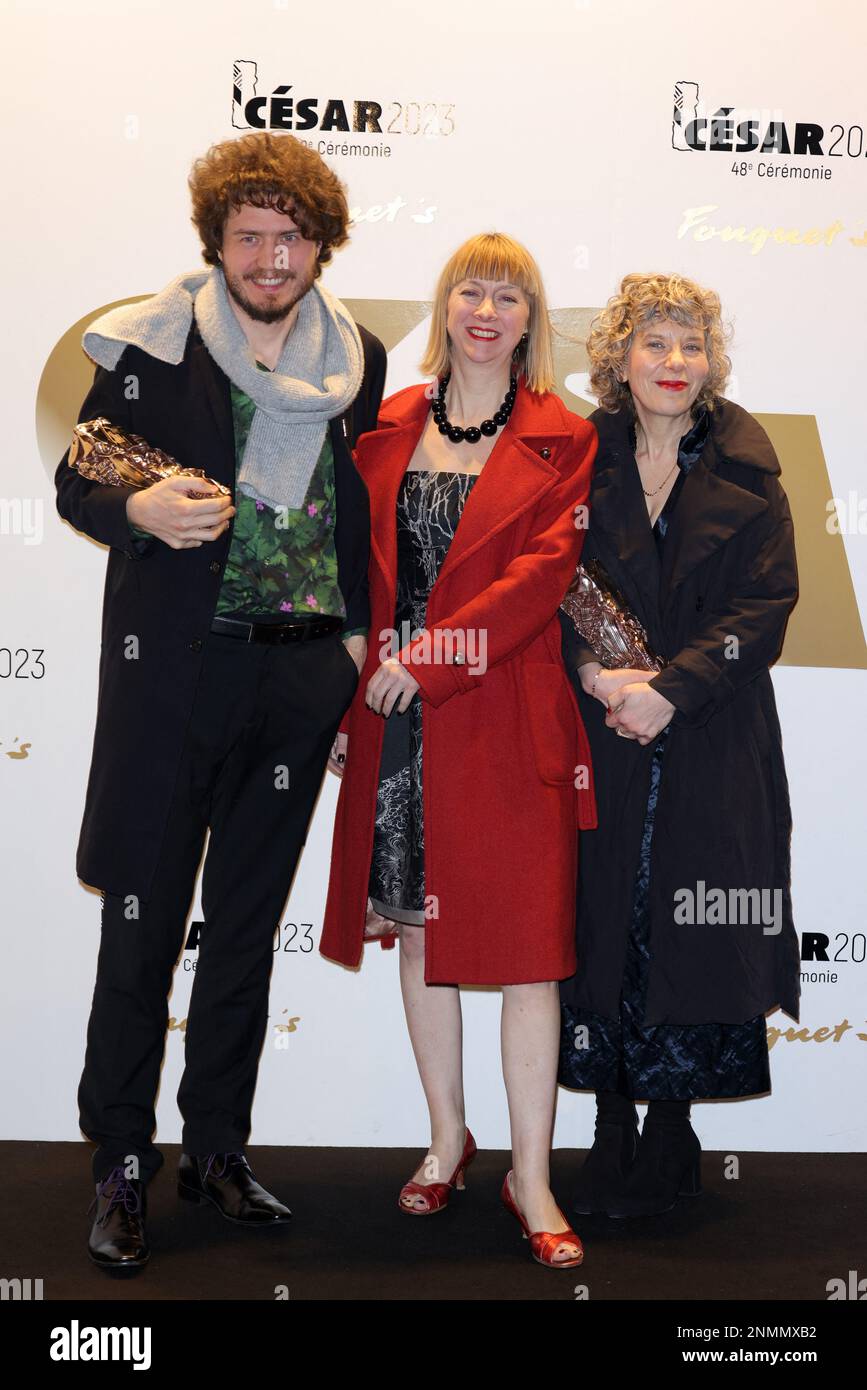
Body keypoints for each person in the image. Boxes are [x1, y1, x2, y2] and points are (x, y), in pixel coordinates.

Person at [54, 131, 386, 1270]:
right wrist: (137, 507)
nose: (268, 254)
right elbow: (80, 471)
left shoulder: (360, 357)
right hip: (178, 677)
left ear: (318, 244)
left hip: (296, 678)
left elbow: (359, 511)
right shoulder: (159, 345)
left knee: (244, 929)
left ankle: (219, 1149)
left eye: (289, 235)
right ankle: (118, 1164)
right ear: (219, 242)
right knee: (140, 930)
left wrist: (346, 652)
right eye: (247, 235)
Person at [320, 233, 597, 1269]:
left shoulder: (565, 437)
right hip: (396, 722)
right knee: (425, 937)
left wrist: (428, 662)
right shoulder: (384, 424)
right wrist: (361, 696)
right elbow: (355, 570)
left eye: (509, 296)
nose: (487, 309)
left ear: (531, 319)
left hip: (506, 713)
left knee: (529, 957)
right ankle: (448, 1134)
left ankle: (532, 1175)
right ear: (446, 307)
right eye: (470, 291)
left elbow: (540, 581)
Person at [556, 271, 800, 1218]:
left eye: (690, 344)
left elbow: (765, 606)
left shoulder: (749, 468)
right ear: (618, 356)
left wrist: (671, 690)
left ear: (711, 362)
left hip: (711, 730)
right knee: (602, 913)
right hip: (601, 727)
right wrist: (598, 674)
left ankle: (672, 1131)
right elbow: (545, 578)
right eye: (653, 342)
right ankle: (609, 1127)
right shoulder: (576, 460)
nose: (673, 361)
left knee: (695, 920)